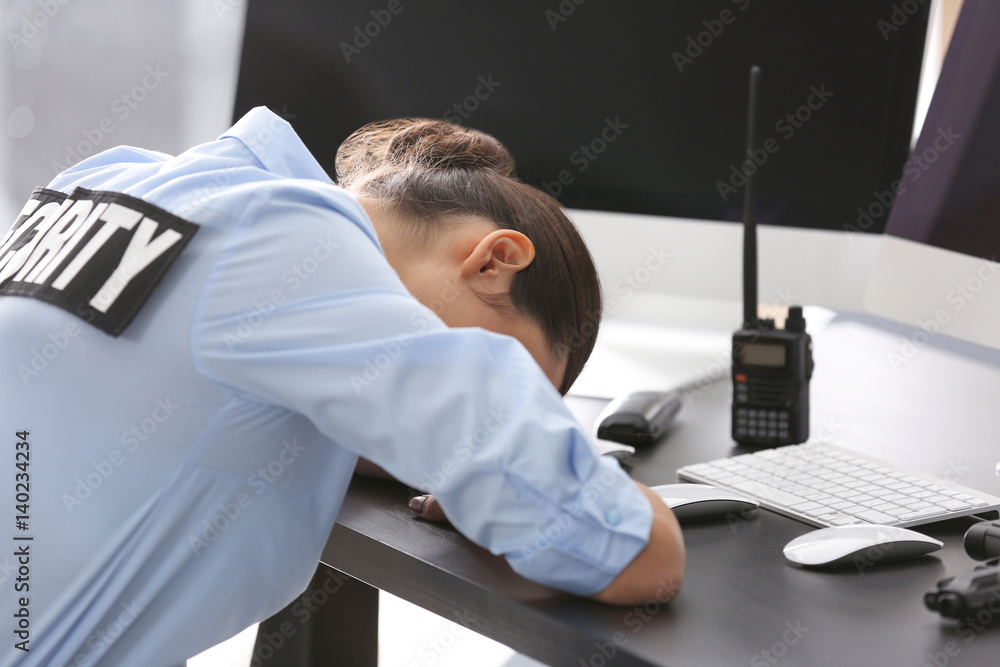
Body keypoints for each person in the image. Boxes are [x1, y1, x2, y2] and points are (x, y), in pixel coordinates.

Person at [0, 107, 684, 666]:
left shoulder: (111, 182)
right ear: (494, 262)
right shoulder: (301, 246)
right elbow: (635, 555)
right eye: (518, 382)